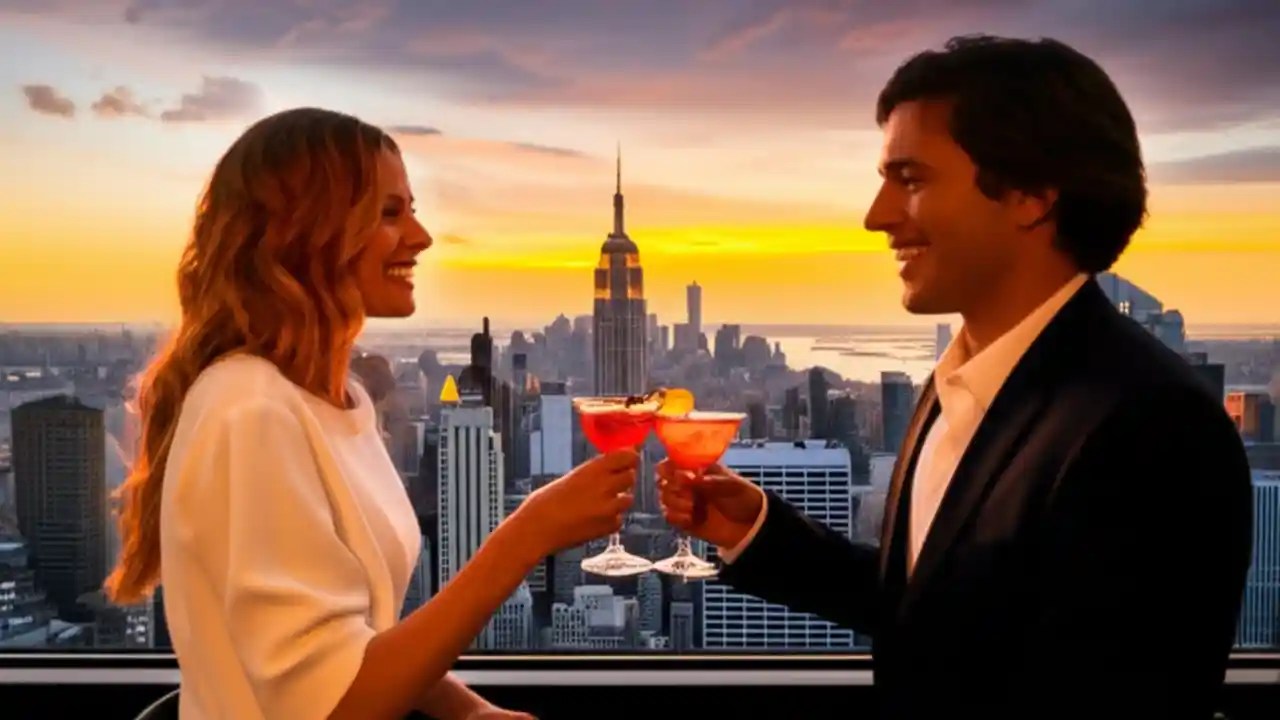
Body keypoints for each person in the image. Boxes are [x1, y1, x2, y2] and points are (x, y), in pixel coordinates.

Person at [658, 35, 1253, 720]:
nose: (876, 216)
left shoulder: (1153, 425)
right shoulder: (959, 383)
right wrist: (757, 530)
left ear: (1031, 193)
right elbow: (933, 607)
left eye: (910, 180)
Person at [104, 107, 640, 720]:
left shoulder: (341, 399)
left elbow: (343, 640)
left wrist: (467, 711)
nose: (421, 236)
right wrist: (527, 535)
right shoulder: (249, 411)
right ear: (305, 232)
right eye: (390, 213)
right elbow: (330, 705)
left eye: (411, 209)